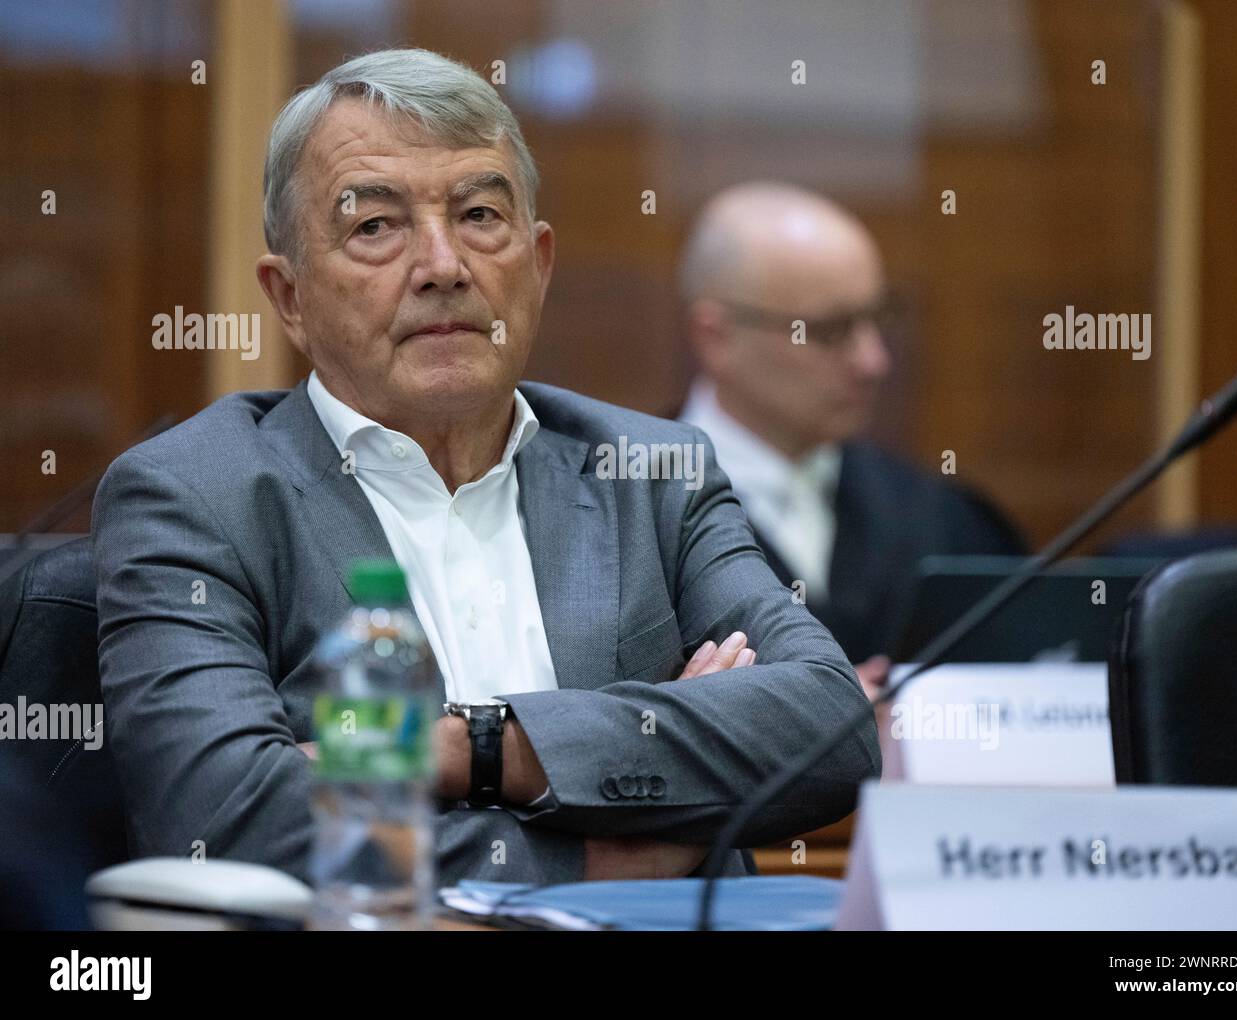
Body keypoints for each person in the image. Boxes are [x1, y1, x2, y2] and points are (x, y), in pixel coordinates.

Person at [91, 50, 879, 887]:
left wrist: (477, 748)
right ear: (289, 298)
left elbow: (829, 729)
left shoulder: (650, 475)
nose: (442, 266)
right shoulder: (196, 497)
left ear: (537, 266)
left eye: (478, 215)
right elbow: (224, 817)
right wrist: (601, 847)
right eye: (374, 227)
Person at [678, 182, 1025, 687]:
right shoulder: (622, 515)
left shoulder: (947, 522)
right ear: (716, 337)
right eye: (831, 330)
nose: (873, 361)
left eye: (877, 319)